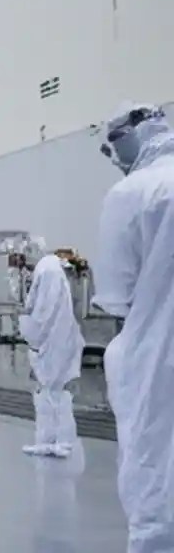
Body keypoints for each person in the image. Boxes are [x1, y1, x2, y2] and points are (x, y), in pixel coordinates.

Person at [93, 102, 174, 553]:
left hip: (157, 352)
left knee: (153, 462)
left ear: (127, 137)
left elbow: (116, 293)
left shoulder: (132, 193)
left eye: (112, 146)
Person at [19, 249, 85, 458]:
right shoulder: (54, 269)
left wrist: (30, 333)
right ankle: (55, 440)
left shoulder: (47, 268)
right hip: (60, 340)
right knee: (54, 392)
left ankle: (54, 441)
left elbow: (42, 310)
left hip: (51, 341)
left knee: (49, 391)